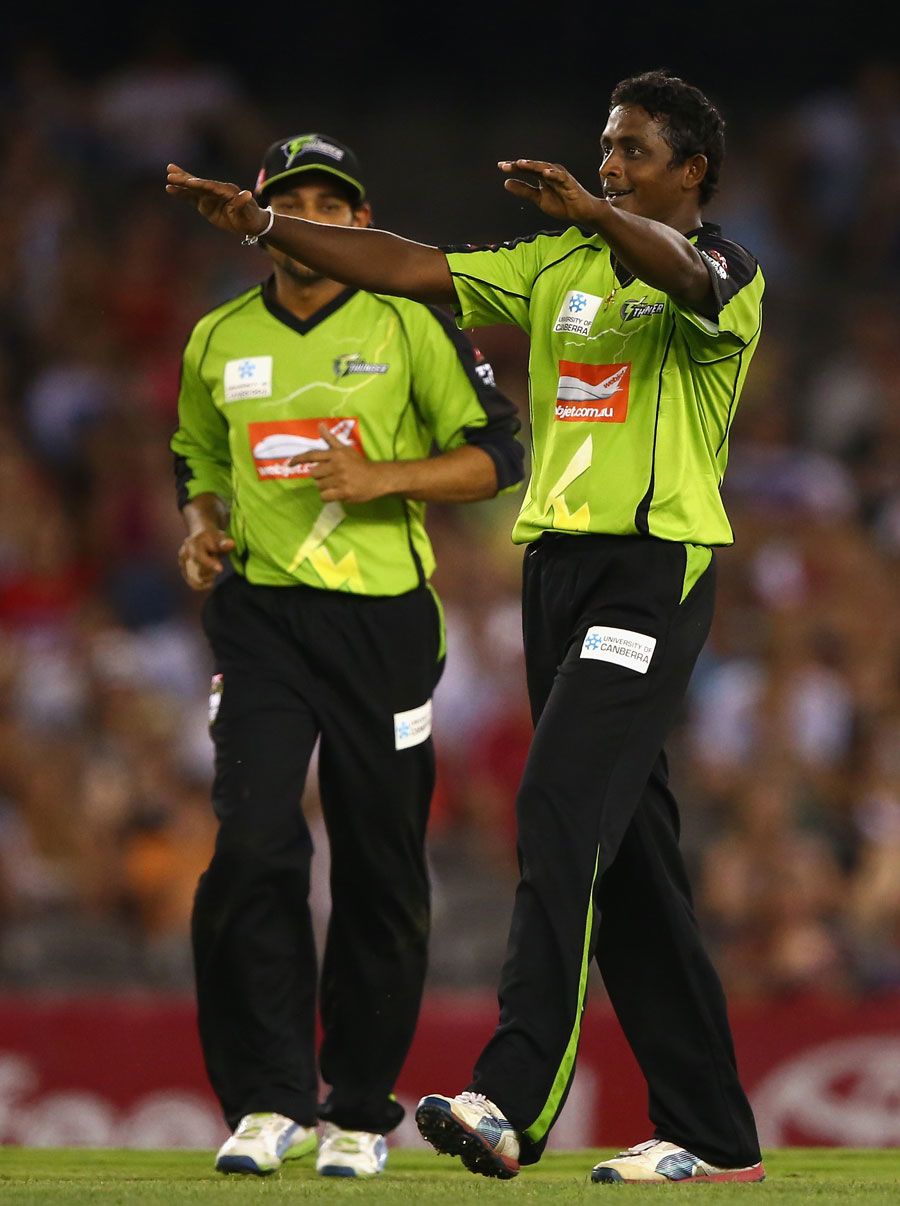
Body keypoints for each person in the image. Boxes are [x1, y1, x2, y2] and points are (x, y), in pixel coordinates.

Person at [166, 69, 767, 1185]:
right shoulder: (556, 266)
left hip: (653, 565)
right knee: (630, 857)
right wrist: (264, 222)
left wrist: (600, 214)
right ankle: (712, 1133)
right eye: (606, 147)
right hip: (557, 571)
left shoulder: (724, 269)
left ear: (693, 170)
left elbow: (683, 276)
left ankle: (511, 1097)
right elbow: (407, 266)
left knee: (554, 802)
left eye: (636, 150)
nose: (612, 164)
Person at [169, 131, 524, 1179]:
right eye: (294, 202)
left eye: (333, 204)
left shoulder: (414, 325)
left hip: (383, 628)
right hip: (263, 621)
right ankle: (267, 1101)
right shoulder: (217, 338)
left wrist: (388, 480)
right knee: (252, 846)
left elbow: (499, 452)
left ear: (363, 222)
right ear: (263, 220)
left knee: (378, 865)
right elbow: (196, 450)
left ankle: (362, 1108)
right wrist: (201, 521)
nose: (314, 219)